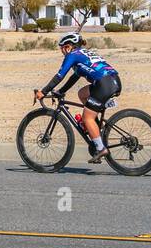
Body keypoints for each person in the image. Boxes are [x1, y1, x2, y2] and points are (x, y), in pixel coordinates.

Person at [36, 32, 121, 162]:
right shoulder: (82, 54)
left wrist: (44, 91)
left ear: (68, 47)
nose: (62, 51)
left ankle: (100, 148)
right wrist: (61, 91)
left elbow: (60, 75)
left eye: (62, 48)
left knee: (87, 118)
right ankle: (96, 130)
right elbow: (74, 77)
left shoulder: (72, 56)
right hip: (113, 81)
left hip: (104, 84)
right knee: (82, 93)